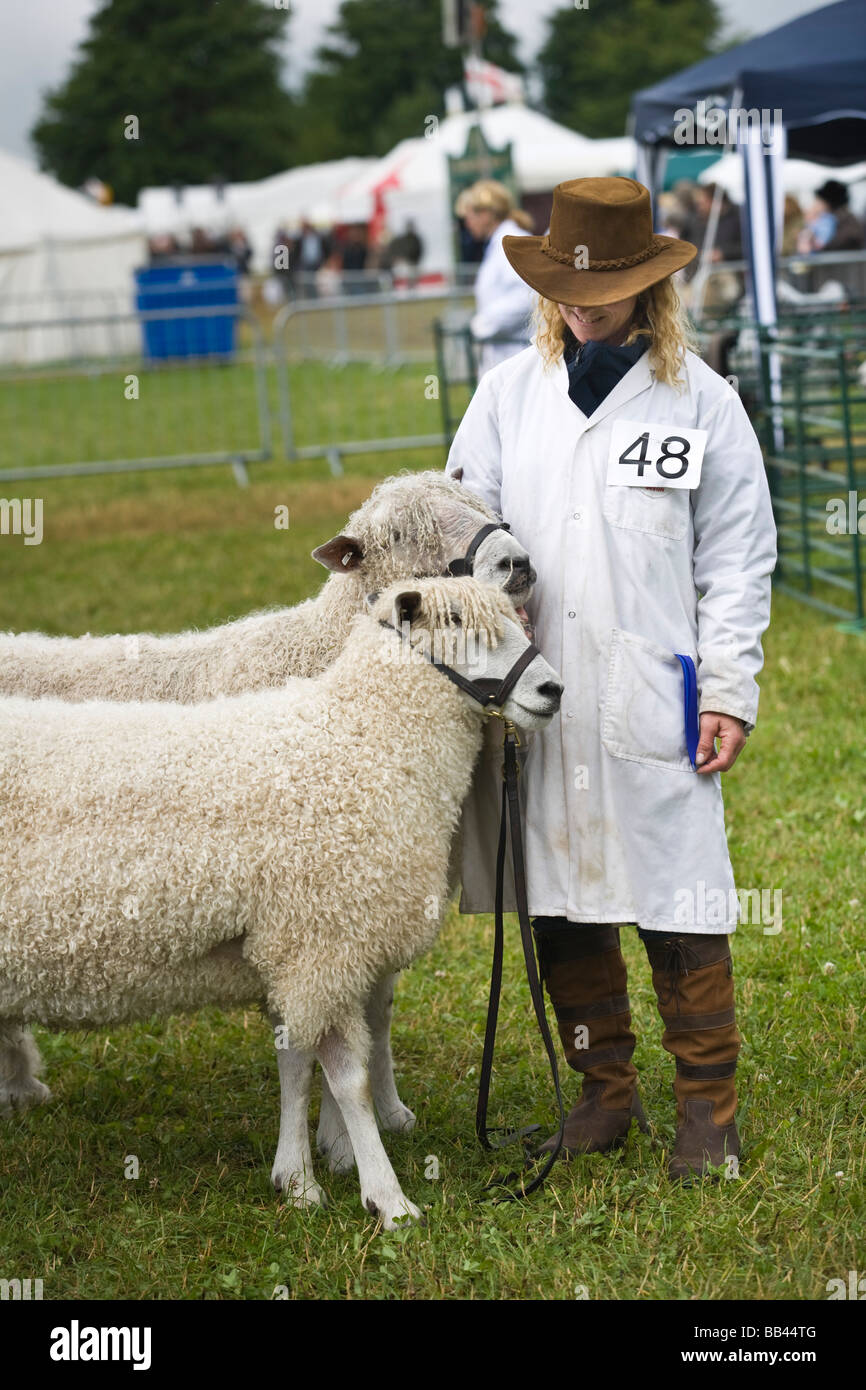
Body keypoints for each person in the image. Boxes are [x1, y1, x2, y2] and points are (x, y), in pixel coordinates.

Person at [446, 177, 777, 1181]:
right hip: (539, 693)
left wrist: (725, 687)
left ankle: (705, 1108)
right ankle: (601, 1092)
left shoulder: (701, 402)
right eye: (567, 287)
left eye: (604, 287)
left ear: (646, 286)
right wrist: (483, 608)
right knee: (559, 896)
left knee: (678, 896)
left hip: (650, 692)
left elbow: (736, 557)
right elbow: (461, 526)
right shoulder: (507, 395)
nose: (582, 304)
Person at [456, 180, 535, 374]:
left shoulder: (511, 242)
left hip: (517, 354)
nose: (467, 223)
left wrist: (484, 323)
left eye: (471, 215)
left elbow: (527, 294)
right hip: (506, 354)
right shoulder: (499, 244)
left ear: (487, 214)